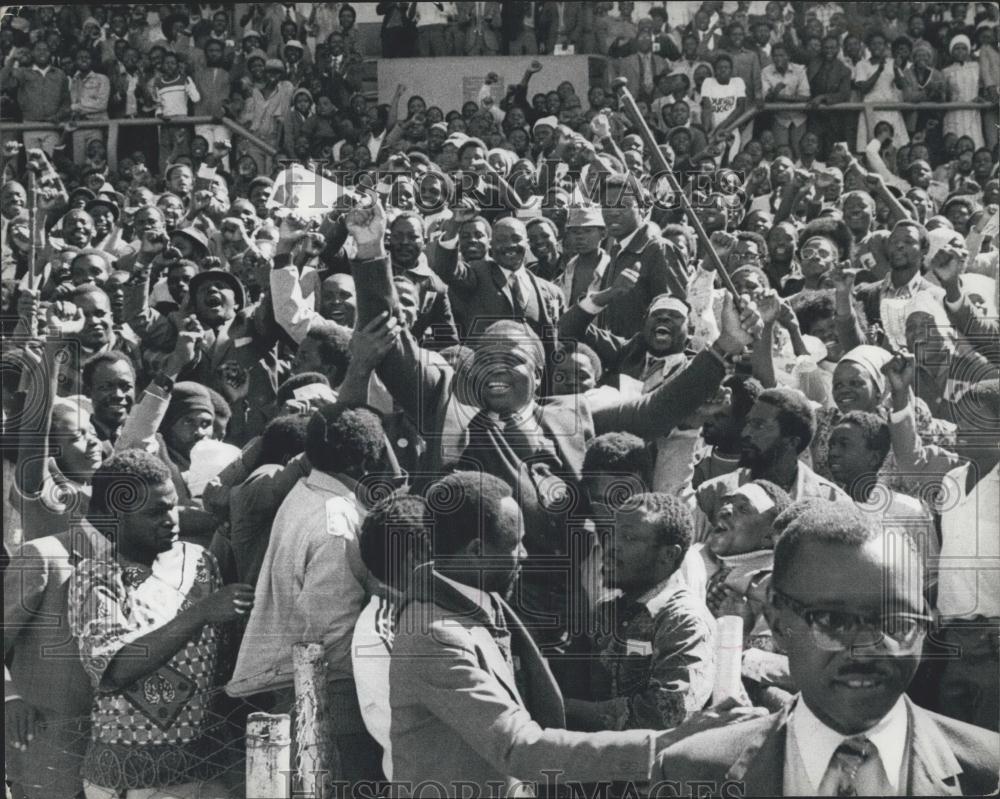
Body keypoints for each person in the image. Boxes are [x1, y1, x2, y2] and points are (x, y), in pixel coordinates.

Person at [389, 470, 764, 795]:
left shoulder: (478, 600)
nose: (524, 556)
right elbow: (521, 747)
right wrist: (664, 741)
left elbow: (662, 712)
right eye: (514, 543)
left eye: (630, 538)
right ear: (476, 552)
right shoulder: (436, 635)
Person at [656, 502, 1000, 796]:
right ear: (778, 621)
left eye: (897, 622)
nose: (866, 649)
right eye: (832, 620)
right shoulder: (690, 774)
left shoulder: (989, 774)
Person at [68, 449, 254, 798]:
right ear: (115, 516)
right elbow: (115, 670)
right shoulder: (97, 577)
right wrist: (199, 613)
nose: (170, 519)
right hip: (129, 780)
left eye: (171, 506)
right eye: (155, 512)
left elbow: (222, 666)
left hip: (200, 768)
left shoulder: (201, 563)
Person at [227, 403, 387, 782]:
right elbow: (326, 633)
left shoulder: (306, 491)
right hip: (330, 701)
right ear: (368, 462)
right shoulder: (337, 523)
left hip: (306, 692)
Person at [567, 493, 717, 733]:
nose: (611, 546)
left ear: (669, 555)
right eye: (613, 534)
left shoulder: (684, 621)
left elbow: (667, 717)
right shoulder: (606, 612)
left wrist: (567, 709)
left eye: (628, 537)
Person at [694, 387, 849, 541]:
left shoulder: (832, 503)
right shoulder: (712, 495)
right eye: (748, 423)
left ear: (792, 442)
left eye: (759, 425)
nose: (745, 433)